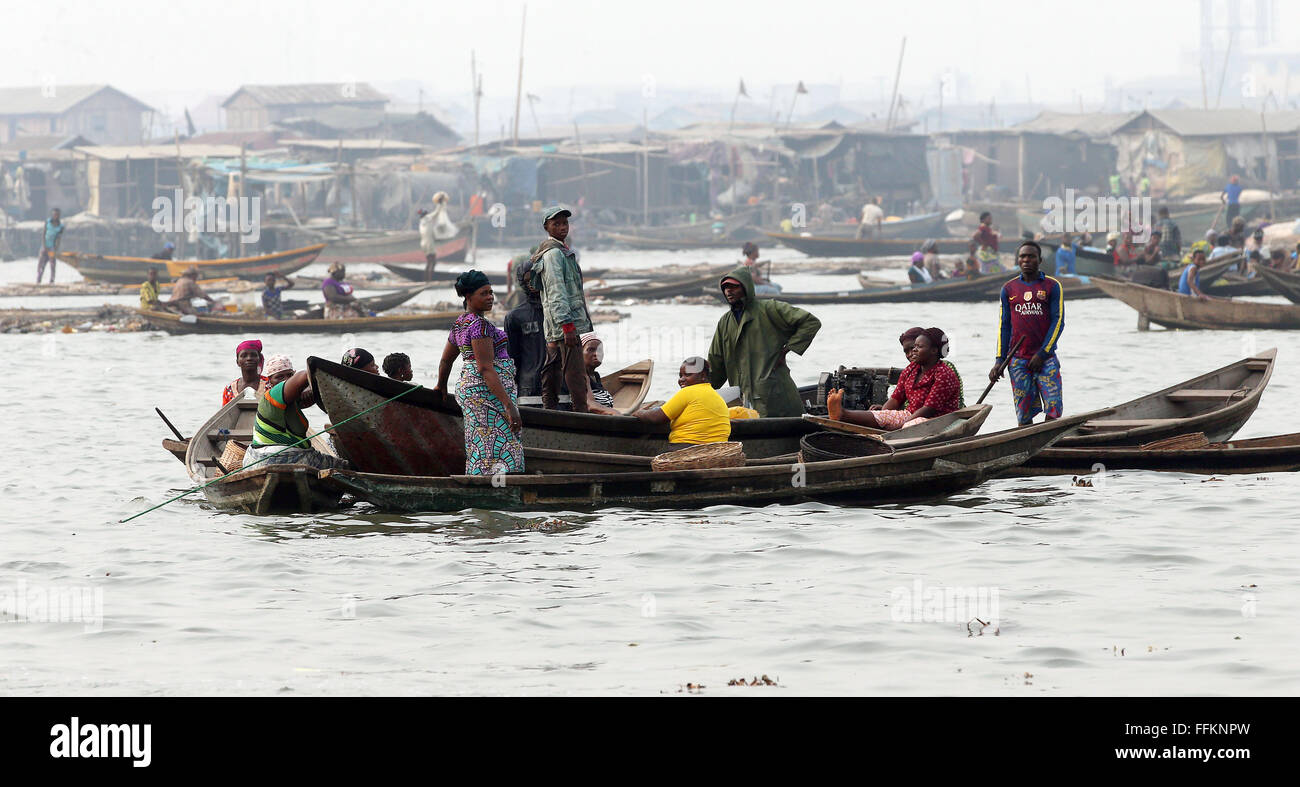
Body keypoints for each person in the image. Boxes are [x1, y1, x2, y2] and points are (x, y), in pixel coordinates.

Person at [433, 270, 525, 475]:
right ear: (468, 297)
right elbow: (485, 368)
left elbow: (446, 360)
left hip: (473, 392)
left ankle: (483, 480)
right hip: (487, 394)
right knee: (501, 442)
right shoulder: (479, 326)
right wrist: (509, 406)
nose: (490, 297)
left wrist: (441, 384)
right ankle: (499, 486)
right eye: (484, 293)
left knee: (482, 443)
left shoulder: (460, 323)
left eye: (491, 292)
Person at [707, 267, 821, 417]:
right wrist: (700, 391)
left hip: (775, 393)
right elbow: (716, 363)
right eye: (725, 287)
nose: (729, 291)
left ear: (746, 288)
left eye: (734, 286)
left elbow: (810, 322)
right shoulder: (725, 322)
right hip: (743, 398)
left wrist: (788, 349)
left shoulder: (769, 309)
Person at [990, 240, 1065, 426]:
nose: (1026, 260)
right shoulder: (1008, 289)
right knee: (1023, 414)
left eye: (1031, 256)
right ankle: (1028, 446)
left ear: (1039, 259)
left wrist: (1042, 353)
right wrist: (999, 360)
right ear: (1018, 260)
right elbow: (1004, 326)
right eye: (1023, 256)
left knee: (1054, 407)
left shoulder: (1052, 286)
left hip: (1045, 358)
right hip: (1017, 360)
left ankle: (1050, 441)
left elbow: (1058, 322)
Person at [828, 328, 959, 430]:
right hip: (911, 414)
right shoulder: (911, 370)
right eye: (914, 347)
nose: (914, 351)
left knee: (911, 426)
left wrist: (902, 425)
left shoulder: (944, 374)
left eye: (919, 347)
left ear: (934, 350)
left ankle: (897, 434)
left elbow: (929, 409)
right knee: (881, 415)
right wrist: (883, 415)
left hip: (938, 420)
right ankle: (842, 414)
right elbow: (895, 399)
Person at [532, 205, 593, 413]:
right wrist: (567, 327)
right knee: (575, 372)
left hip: (555, 324)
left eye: (564, 223)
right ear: (546, 227)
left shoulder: (559, 251)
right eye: (556, 224)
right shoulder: (553, 254)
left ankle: (549, 411)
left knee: (553, 370)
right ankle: (581, 415)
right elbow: (557, 291)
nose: (562, 227)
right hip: (564, 324)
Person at [242, 355, 349, 471]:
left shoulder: (290, 402)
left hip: (258, 462)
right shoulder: (272, 396)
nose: (286, 380)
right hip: (275, 458)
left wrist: (309, 392)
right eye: (279, 377)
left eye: (289, 375)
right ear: (270, 382)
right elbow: (303, 375)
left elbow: (309, 397)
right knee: (345, 467)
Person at [632, 357, 731, 445]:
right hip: (717, 450)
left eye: (688, 375)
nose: (681, 379)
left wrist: (638, 412)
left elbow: (656, 417)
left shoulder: (688, 392)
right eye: (680, 376)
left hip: (687, 448)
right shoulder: (717, 397)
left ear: (703, 375)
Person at [504, 254, 546, 399]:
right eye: (528, 280)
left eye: (536, 278)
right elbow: (512, 356)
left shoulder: (558, 312)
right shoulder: (515, 317)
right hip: (528, 387)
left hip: (561, 387)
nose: (533, 284)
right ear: (522, 282)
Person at [898, 326, 965, 408]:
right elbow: (897, 397)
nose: (911, 354)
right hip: (912, 414)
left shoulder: (945, 370)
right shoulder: (910, 369)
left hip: (942, 416)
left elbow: (957, 401)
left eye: (916, 347)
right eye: (906, 351)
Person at [565, 333, 619, 415]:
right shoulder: (580, 376)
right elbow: (590, 405)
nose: (596, 354)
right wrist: (615, 413)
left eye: (599, 350)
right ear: (580, 353)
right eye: (591, 350)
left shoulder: (595, 376)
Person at [418, 191, 456, 281]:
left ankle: (426, 279)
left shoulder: (422, 222)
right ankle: (429, 280)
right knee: (432, 262)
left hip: (424, 244)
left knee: (429, 262)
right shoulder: (427, 219)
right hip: (429, 244)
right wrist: (440, 203)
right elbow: (436, 212)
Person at [223, 339, 266, 405]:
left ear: (259, 359)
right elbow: (225, 413)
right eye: (244, 355)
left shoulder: (269, 384)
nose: (249, 358)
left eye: (253, 355)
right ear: (237, 362)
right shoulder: (229, 389)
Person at [36, 207, 63, 283]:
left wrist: (56, 247)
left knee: (52, 264)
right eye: (54, 214)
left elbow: (58, 238)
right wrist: (44, 245)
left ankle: (52, 280)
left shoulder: (60, 226)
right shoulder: (47, 222)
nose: (56, 216)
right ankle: (38, 280)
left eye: (57, 214)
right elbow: (44, 234)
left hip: (52, 248)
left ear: (59, 215)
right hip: (45, 246)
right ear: (52, 215)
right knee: (41, 264)